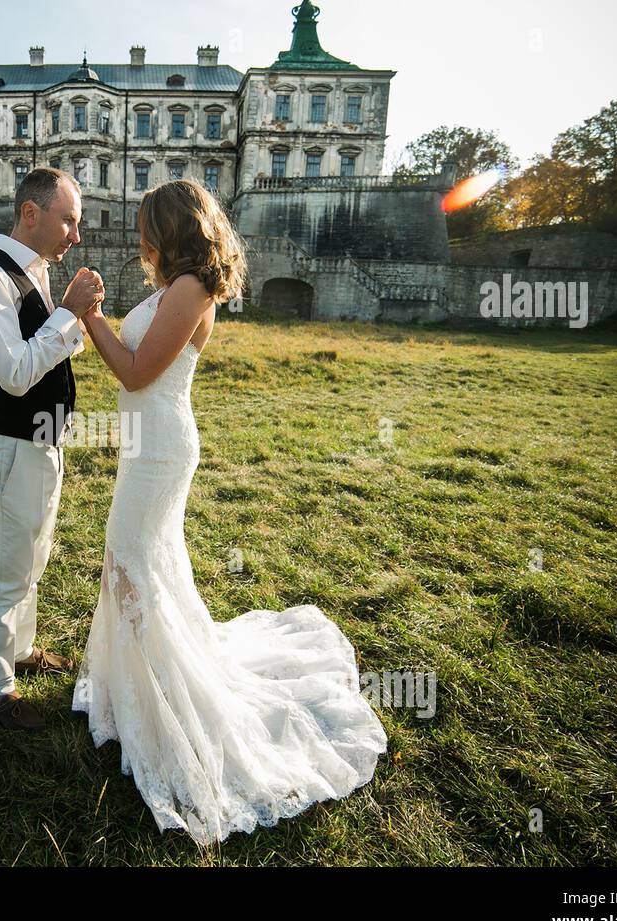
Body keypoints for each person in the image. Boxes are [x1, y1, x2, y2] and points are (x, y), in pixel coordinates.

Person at [71, 179, 389, 844]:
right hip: (148, 444)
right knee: (136, 565)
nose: (140, 240)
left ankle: (163, 707)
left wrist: (89, 316)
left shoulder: (190, 291)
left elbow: (134, 372)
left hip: (159, 447)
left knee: (130, 564)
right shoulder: (179, 286)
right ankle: (137, 694)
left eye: (146, 228)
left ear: (171, 228)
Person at [0, 167, 104, 731]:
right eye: (69, 220)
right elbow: (15, 373)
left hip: (43, 441)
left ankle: (20, 652)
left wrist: (74, 319)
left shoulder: (36, 274)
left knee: (34, 559)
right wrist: (66, 315)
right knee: (7, 568)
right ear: (30, 214)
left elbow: (49, 354)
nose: (76, 234)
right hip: (12, 443)